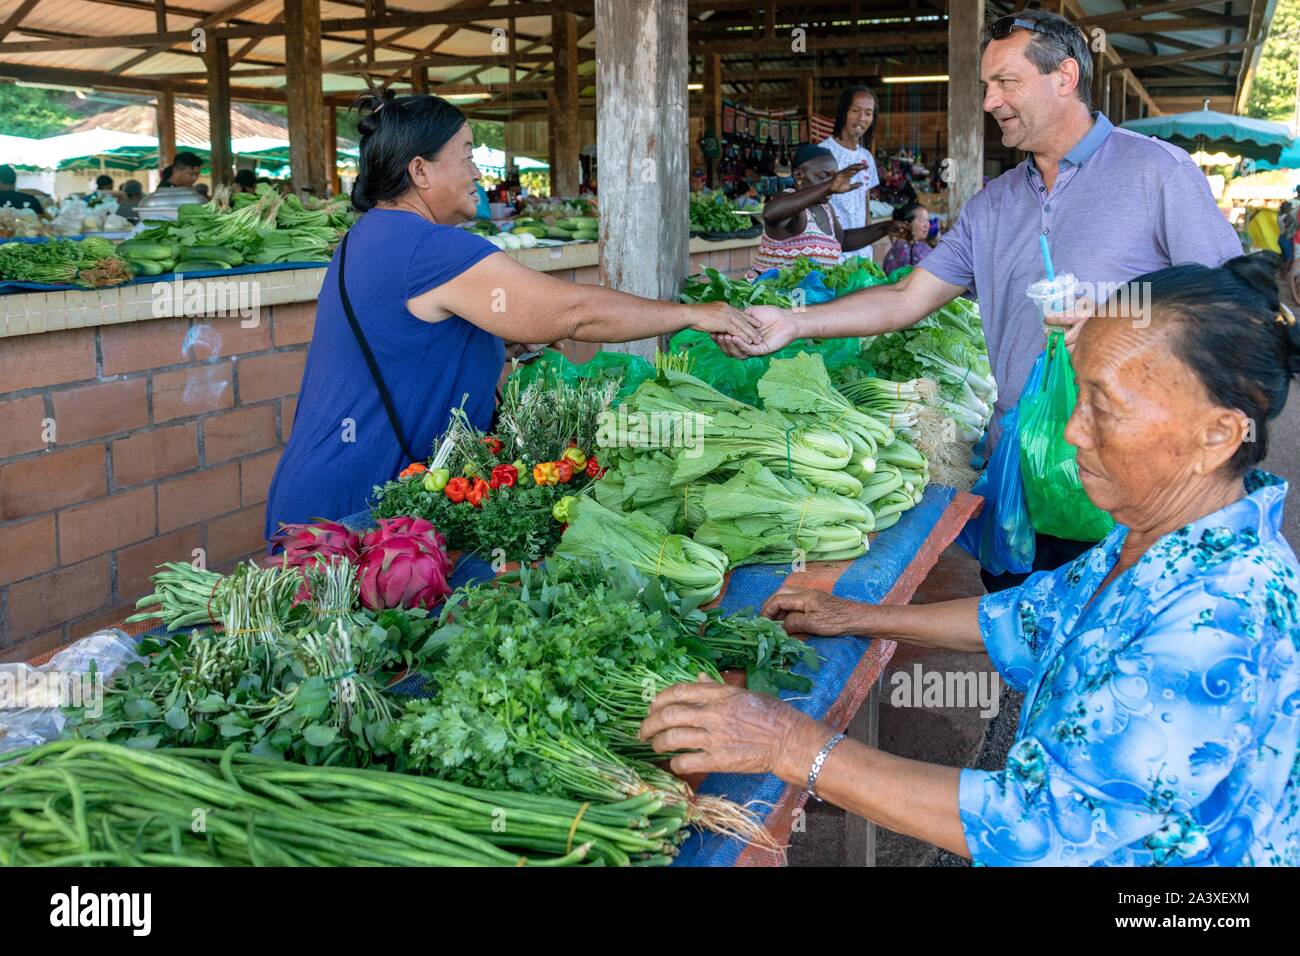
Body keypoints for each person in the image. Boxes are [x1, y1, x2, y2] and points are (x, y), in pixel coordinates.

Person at [641, 254, 1300, 866]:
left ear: (1216, 434)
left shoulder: (1224, 613)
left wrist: (789, 742)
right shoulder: (1162, 541)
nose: (1073, 430)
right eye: (1079, 396)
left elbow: (1037, 821)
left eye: (1105, 406)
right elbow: (1028, 616)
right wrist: (856, 616)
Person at [722, 8, 1243, 592]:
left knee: (1123, 648)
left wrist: (1119, 314)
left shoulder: (1157, 172)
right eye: (987, 85)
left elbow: (1229, 302)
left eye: (1006, 83)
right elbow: (906, 297)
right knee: (1017, 631)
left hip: (1135, 472)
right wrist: (794, 322)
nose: (990, 101)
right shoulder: (991, 206)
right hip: (1021, 471)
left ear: (1065, 77)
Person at [264, 93, 762, 538]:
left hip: (327, 495)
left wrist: (494, 344)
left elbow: (406, 338)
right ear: (420, 171)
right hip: (355, 513)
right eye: (465, 155)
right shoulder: (430, 247)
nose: (477, 171)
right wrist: (695, 313)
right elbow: (574, 313)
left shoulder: (370, 235)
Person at [750, 144, 905, 276]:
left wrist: (884, 227)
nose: (833, 183)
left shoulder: (825, 207)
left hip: (803, 304)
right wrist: (828, 188)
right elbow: (770, 213)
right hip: (776, 303)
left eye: (834, 177)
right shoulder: (790, 200)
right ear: (798, 175)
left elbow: (842, 241)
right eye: (823, 176)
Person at [819, 86, 882, 263]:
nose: (862, 118)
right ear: (843, 112)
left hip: (861, 252)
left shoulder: (866, 157)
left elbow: (865, 202)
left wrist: (869, 241)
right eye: (856, 111)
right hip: (831, 252)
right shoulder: (824, 153)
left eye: (868, 113)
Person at [881, 201, 932, 273]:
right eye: (922, 220)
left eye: (927, 220)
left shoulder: (898, 248)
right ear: (906, 224)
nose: (927, 225)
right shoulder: (908, 250)